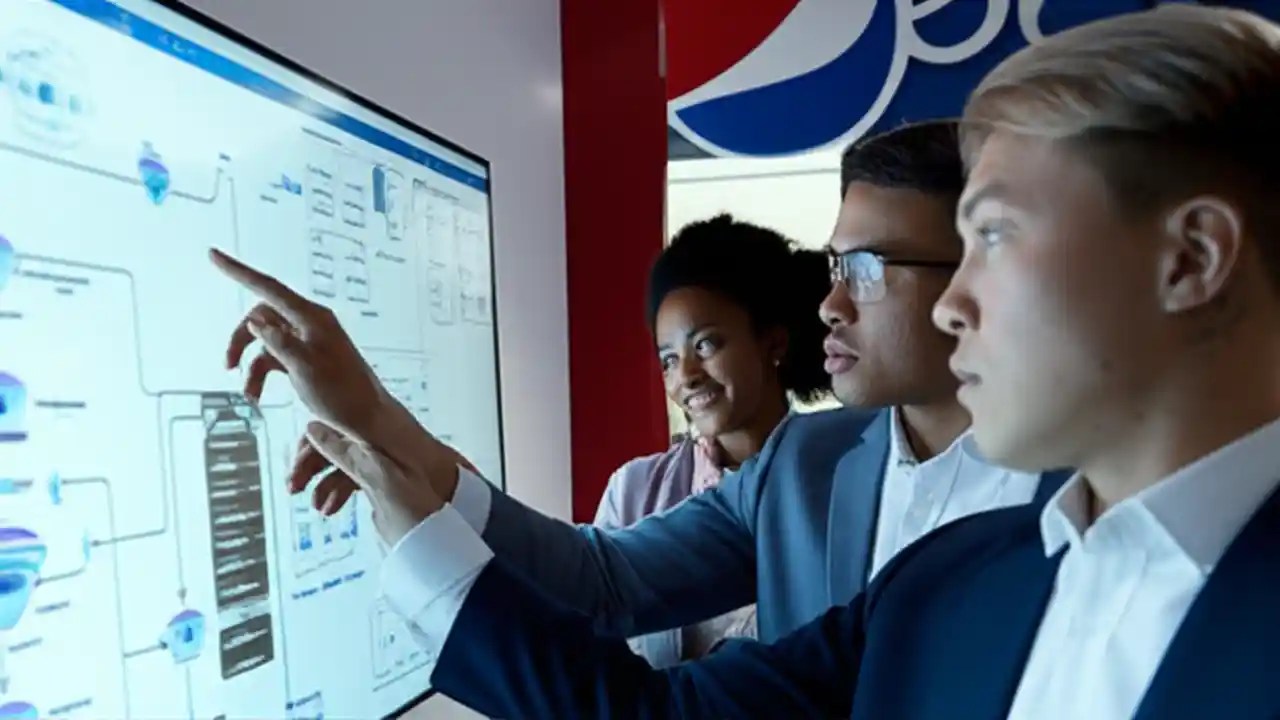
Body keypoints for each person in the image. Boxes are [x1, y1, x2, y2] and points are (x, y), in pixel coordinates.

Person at [242, 4, 1280, 718]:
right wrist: (387, 447)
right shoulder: (950, 578)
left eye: (996, 238)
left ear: (1191, 258)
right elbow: (622, 632)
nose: (962, 300)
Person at [214, 120, 1069, 652]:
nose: (831, 304)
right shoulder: (803, 465)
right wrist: (376, 420)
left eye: (868, 269)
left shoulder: (1087, 499)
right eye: (834, 266)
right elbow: (604, 578)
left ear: (983, 278)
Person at [594, 213, 831, 665]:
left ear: (773, 343)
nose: (685, 376)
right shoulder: (634, 491)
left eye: (705, 345)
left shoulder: (836, 483)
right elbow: (592, 642)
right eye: (668, 359)